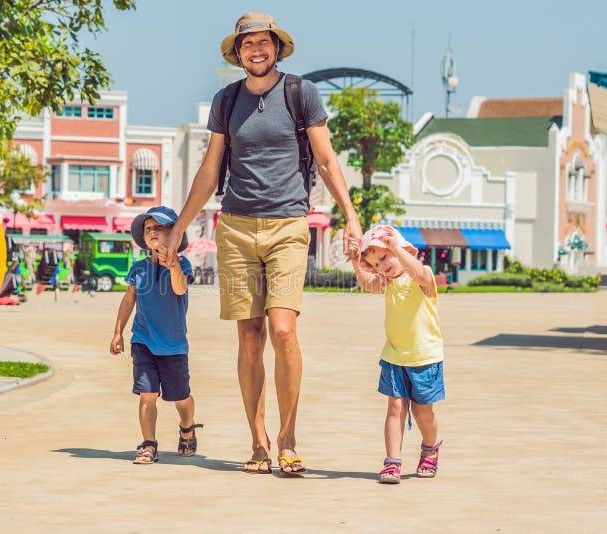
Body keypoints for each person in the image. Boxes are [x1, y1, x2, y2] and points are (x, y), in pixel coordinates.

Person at [164, 12, 362, 475]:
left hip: (288, 225)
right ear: (238, 53)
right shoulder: (227, 100)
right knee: (249, 337)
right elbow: (210, 170)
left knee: (283, 330)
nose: (256, 50)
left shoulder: (300, 93)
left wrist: (351, 217)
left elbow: (326, 159)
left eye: (263, 42)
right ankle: (258, 441)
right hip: (235, 228)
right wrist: (179, 228)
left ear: (276, 47)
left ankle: (288, 438)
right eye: (247, 44)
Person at [351, 225, 445, 484]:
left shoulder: (422, 276)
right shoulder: (387, 281)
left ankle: (430, 447)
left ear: (402, 248)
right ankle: (392, 462)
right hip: (394, 355)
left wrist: (394, 247)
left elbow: (421, 275)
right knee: (395, 407)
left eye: (384, 258)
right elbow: (368, 285)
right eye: (376, 264)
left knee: (423, 412)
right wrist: (356, 262)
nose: (382, 267)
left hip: (424, 357)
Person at [109, 206, 202, 465]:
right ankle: (148, 444)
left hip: (173, 345)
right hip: (143, 341)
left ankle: (187, 427)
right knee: (147, 394)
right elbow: (128, 301)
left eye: (159, 227)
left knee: (180, 397)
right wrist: (118, 332)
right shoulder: (138, 269)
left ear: (174, 234)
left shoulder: (182, 264)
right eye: (148, 228)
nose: (152, 231)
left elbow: (179, 289)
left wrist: (172, 265)